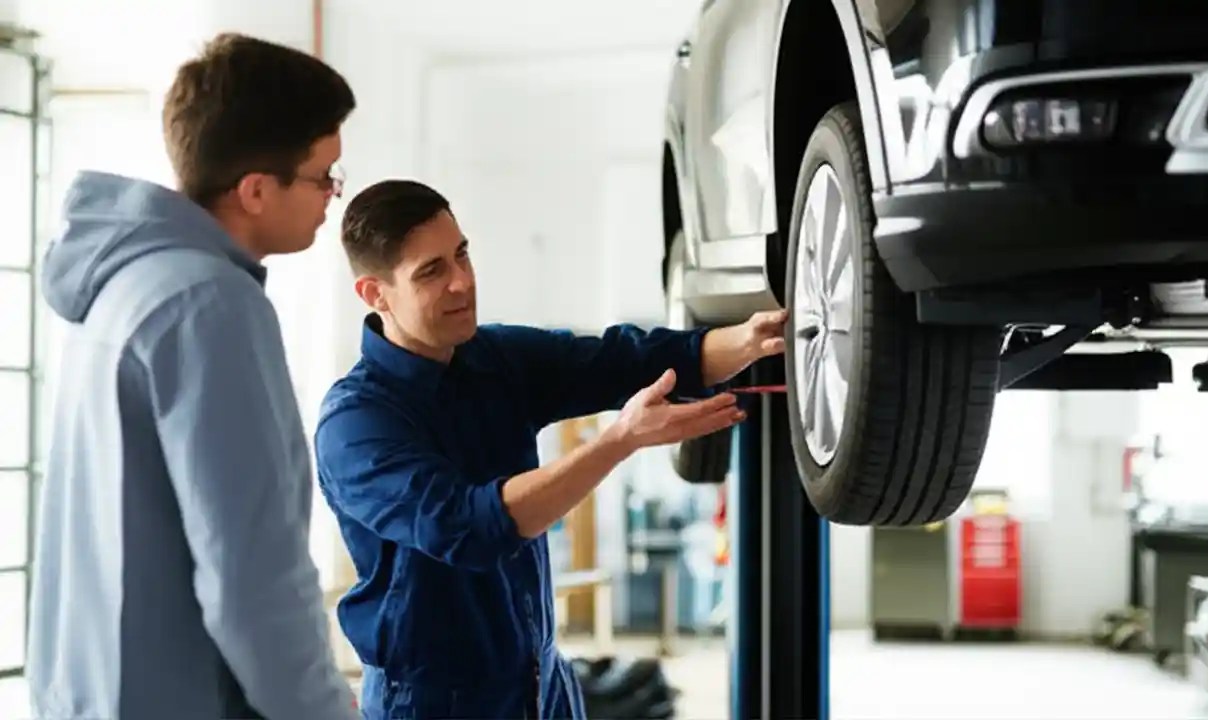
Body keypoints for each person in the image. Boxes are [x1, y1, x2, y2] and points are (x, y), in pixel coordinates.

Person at [314, 178, 788, 719]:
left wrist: (751, 340)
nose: (461, 282)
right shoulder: (355, 423)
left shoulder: (494, 357)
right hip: (434, 705)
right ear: (376, 294)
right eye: (431, 271)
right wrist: (620, 441)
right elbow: (468, 527)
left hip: (541, 685)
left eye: (462, 255)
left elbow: (624, 360)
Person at [29, 33, 361, 720]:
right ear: (257, 190)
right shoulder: (211, 305)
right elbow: (251, 576)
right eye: (324, 175)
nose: (334, 195)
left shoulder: (121, 286)